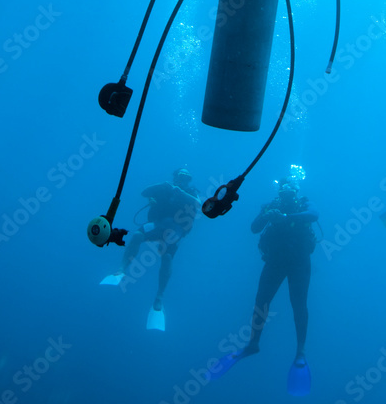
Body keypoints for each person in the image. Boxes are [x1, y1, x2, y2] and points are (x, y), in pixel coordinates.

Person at [211, 175, 319, 396]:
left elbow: (314, 215)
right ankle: (253, 343)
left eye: (291, 187)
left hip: (299, 261)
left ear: (296, 191)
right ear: (279, 191)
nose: (287, 190)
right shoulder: (271, 206)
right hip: (275, 261)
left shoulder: (304, 204)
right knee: (261, 301)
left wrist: (286, 216)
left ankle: (300, 351)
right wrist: (268, 215)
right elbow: (253, 228)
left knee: (299, 304)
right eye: (284, 187)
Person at [105, 167, 201, 329]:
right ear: (175, 177)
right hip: (157, 225)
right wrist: (162, 185)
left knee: (167, 256)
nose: (183, 181)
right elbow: (144, 192)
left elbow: (198, 203)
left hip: (175, 230)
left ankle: (159, 297)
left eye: (186, 179)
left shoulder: (191, 193)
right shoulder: (165, 188)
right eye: (180, 177)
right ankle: (122, 269)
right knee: (137, 235)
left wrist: (180, 192)